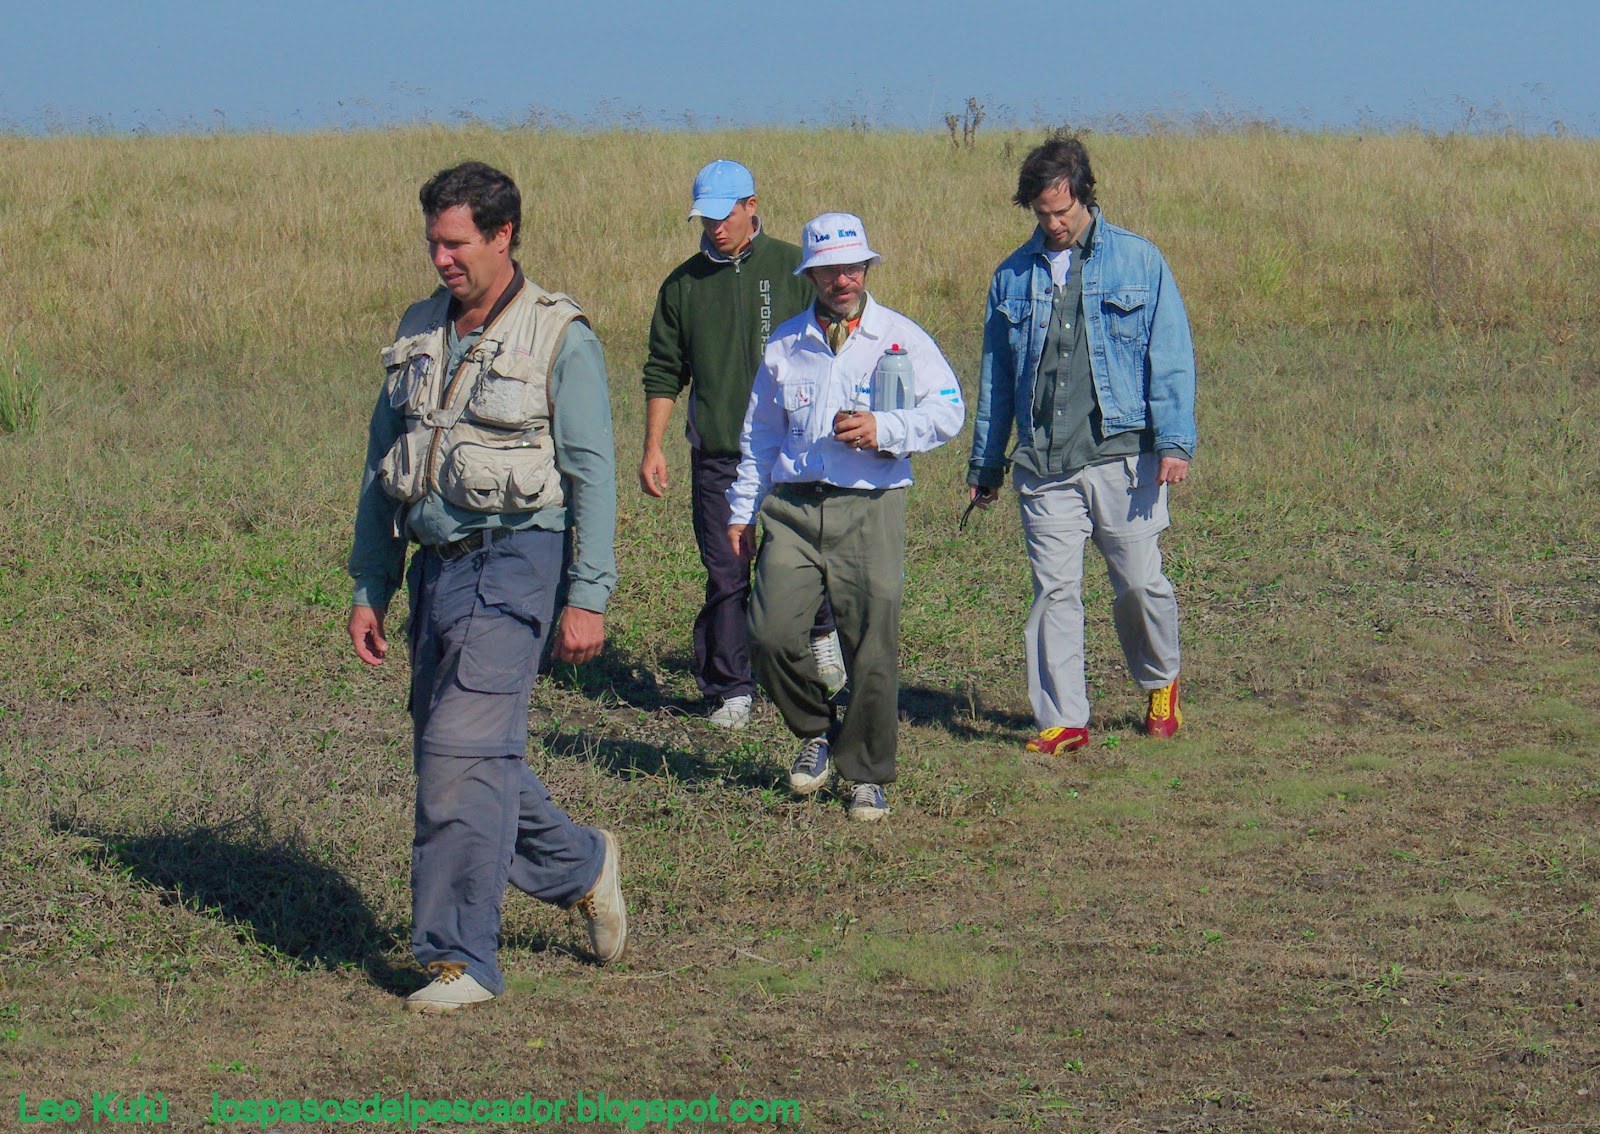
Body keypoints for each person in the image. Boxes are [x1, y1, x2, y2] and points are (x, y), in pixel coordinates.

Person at [346, 161, 626, 1013]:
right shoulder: (418, 327)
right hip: (434, 566)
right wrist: (371, 583)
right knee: (464, 750)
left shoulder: (560, 335)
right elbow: (378, 463)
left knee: (458, 757)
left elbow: (593, 473)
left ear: (504, 235)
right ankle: (582, 864)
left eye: (456, 242)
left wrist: (589, 595)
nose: (441, 258)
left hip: (517, 561)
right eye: (433, 241)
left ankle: (459, 959)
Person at [727, 212, 965, 821]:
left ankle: (865, 773)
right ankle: (816, 730)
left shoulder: (900, 336)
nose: (843, 279)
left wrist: (885, 428)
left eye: (854, 266)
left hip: (871, 505)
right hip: (793, 507)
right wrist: (742, 511)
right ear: (811, 274)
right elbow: (760, 436)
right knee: (770, 633)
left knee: (872, 644)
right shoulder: (785, 343)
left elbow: (947, 410)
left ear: (866, 268)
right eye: (831, 269)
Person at [968, 136, 1197, 755]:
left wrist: (1173, 443)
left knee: (1140, 584)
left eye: (1062, 211)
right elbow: (994, 376)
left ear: (1085, 196)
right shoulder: (1011, 277)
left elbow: (1169, 357)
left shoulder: (1140, 262)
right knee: (1054, 592)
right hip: (1042, 463)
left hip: (1126, 459)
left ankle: (1159, 682)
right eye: (1042, 214)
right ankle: (1065, 720)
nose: (1054, 223)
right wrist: (987, 461)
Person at [640, 159, 844, 730]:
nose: (714, 228)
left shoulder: (792, 268)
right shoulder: (682, 284)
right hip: (719, 452)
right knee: (727, 570)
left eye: (723, 215)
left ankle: (822, 636)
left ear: (751, 205)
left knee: (803, 558)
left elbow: (838, 340)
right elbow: (663, 371)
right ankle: (730, 687)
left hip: (795, 448)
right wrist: (654, 446)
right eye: (704, 218)